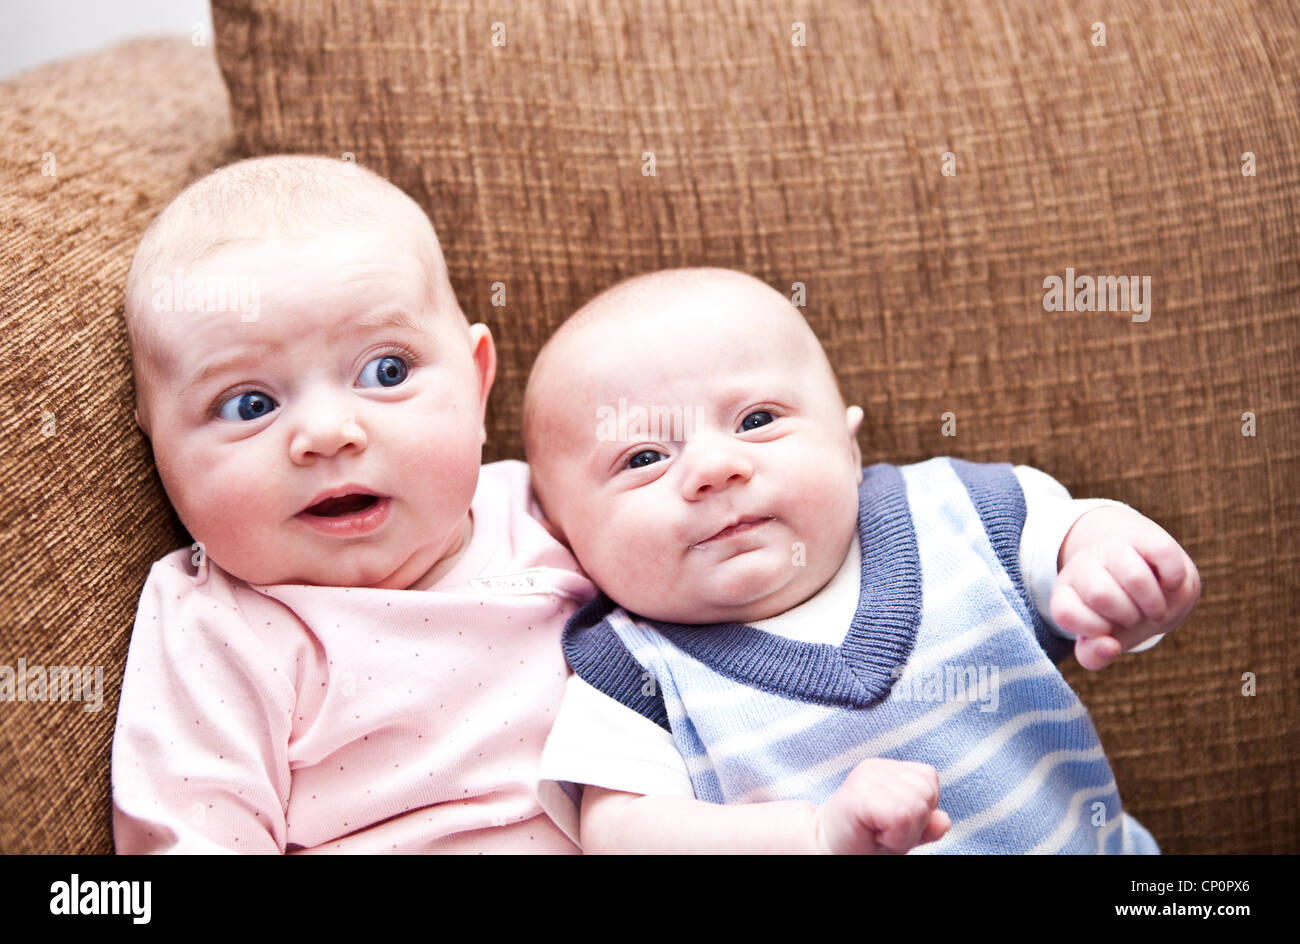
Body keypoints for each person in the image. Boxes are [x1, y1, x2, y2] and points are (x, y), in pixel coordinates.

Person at [523, 267, 1200, 853]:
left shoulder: (959, 514)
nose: (715, 467)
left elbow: (1072, 539)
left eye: (757, 419)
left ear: (849, 450)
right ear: (566, 534)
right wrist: (813, 838)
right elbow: (624, 836)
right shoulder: (632, 673)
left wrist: (1118, 563)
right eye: (643, 458)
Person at [111, 155, 593, 853]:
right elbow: (194, 835)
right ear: (157, 447)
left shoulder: (550, 510)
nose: (329, 434)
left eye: (385, 371)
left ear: (478, 386)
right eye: (249, 404)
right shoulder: (221, 629)